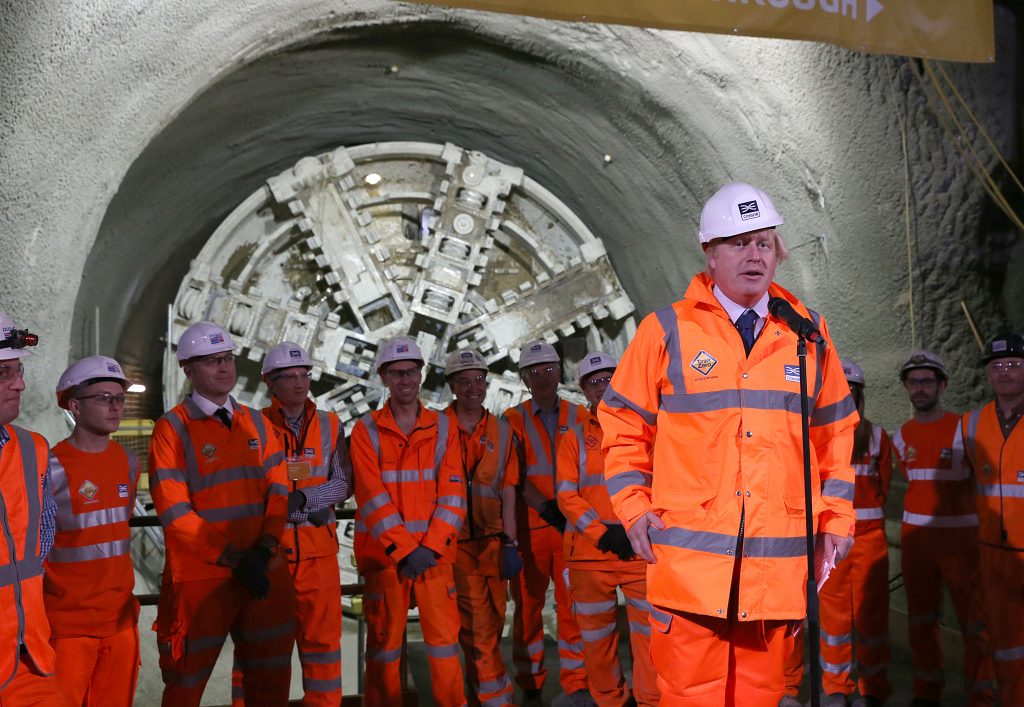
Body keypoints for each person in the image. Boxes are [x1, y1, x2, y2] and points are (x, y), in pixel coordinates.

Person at [598, 182, 858, 706]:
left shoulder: (808, 336)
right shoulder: (665, 331)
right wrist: (633, 508)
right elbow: (623, 427)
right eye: (738, 243)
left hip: (774, 572)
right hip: (692, 573)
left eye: (764, 242)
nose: (754, 255)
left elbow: (835, 436)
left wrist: (835, 521)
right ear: (709, 253)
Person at [148, 321, 296, 706]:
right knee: (185, 686)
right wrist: (235, 559)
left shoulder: (257, 424)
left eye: (227, 358)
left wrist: (263, 551)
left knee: (269, 684)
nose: (224, 367)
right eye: (212, 361)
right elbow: (175, 511)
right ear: (188, 369)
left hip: (262, 572)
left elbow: (280, 491)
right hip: (203, 581)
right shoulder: (173, 429)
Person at [231, 341, 352, 706]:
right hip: (271, 556)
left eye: (305, 375)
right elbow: (252, 490)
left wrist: (301, 500)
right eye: (290, 377)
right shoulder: (252, 426)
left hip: (319, 558)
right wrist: (302, 509)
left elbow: (343, 483)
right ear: (270, 382)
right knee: (262, 649)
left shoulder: (331, 424)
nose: (300, 384)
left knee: (324, 649)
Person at [350, 336, 467, 707]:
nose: (406, 380)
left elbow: (453, 495)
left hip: (432, 560)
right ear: (384, 377)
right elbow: (371, 497)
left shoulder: (443, 428)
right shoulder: (365, 431)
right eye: (398, 373)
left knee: (446, 649)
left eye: (412, 372)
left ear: (420, 375)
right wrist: (406, 550)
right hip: (388, 560)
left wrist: (429, 548)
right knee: (384, 650)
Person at [781, 360, 892, 707]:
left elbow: (884, 487)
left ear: (859, 396)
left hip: (870, 542)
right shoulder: (818, 438)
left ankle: (873, 689)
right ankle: (836, 687)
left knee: (872, 618)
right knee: (833, 620)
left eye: (851, 392)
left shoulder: (876, 437)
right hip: (829, 541)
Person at [556, 351, 658, 707]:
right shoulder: (573, 439)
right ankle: (610, 702)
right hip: (591, 556)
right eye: (595, 382)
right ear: (584, 391)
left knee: (651, 638)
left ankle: (650, 701)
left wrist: (635, 531)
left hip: (639, 553)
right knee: (597, 641)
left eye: (610, 379)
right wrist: (604, 534)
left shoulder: (650, 433)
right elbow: (567, 496)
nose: (604, 387)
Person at [892, 349, 993, 707]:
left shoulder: (965, 428)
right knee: (921, 621)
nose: (920, 388)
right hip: (917, 545)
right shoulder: (900, 436)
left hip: (962, 546)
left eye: (927, 381)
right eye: (913, 381)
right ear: (906, 387)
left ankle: (979, 697)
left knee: (974, 624)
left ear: (942, 384)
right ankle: (926, 693)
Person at [46, 355, 141, 706]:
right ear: (75, 406)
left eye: (119, 398)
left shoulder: (127, 462)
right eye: (104, 398)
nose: (115, 407)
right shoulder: (50, 467)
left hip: (120, 622)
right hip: (68, 627)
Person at [503, 340, 592, 707]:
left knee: (574, 606)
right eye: (534, 372)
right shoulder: (512, 420)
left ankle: (578, 682)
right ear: (524, 379)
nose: (543, 377)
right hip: (532, 529)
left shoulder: (580, 415)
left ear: (560, 372)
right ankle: (531, 681)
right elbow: (513, 477)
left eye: (549, 369)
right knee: (527, 607)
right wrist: (545, 507)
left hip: (572, 530)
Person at [443, 348, 520, 706]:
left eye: (478, 380)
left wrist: (511, 542)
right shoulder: (437, 429)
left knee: (495, 619)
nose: (473, 387)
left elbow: (507, 489)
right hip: (456, 544)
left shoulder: (502, 430)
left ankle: (481, 691)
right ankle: (496, 697)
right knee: (477, 625)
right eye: (464, 381)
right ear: (452, 387)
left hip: (492, 541)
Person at [0, 311, 61, 705]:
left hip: (29, 655)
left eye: (18, 371)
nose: (20, 384)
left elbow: (43, 541)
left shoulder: (33, 449)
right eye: (5, 373)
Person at [961, 333, 1024, 705]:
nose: (1005, 372)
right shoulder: (971, 425)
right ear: (988, 375)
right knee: (1002, 640)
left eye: (1014, 365)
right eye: (997, 366)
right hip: (991, 553)